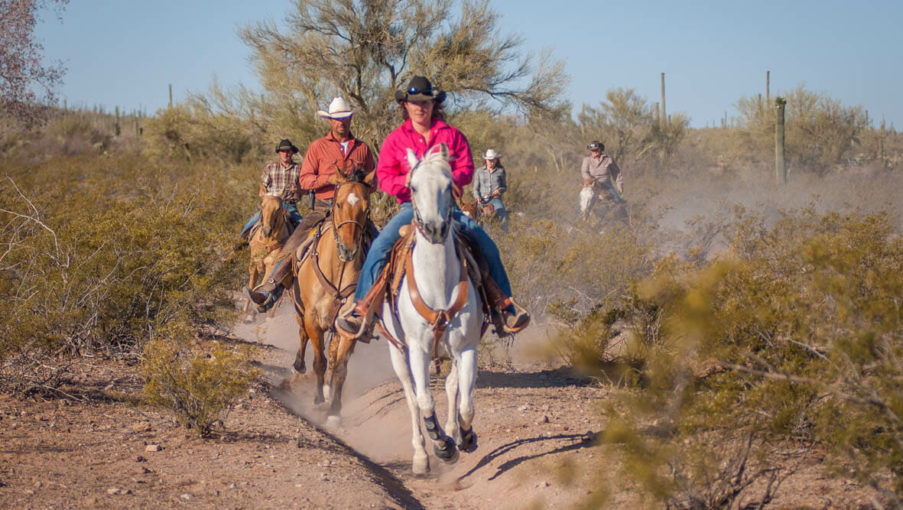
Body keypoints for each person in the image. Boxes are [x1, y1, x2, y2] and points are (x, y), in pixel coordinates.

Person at [335, 76, 529, 338]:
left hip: (448, 208)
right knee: (380, 247)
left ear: (433, 104)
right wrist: (405, 181)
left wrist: (449, 180)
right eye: (414, 103)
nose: (420, 108)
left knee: (484, 242)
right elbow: (384, 175)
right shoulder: (395, 140)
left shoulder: (451, 135)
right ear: (405, 105)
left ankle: (504, 306)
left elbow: (466, 169)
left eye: (425, 102)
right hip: (410, 208)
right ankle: (361, 310)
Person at [248, 97, 377, 311]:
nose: (340, 123)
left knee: (379, 243)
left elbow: (373, 182)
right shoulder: (318, 147)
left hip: (352, 214)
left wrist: (361, 186)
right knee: (293, 245)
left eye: (344, 118)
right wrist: (328, 179)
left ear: (350, 118)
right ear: (330, 121)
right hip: (323, 209)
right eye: (336, 119)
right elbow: (305, 181)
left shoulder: (363, 149)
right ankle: (270, 290)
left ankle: (385, 297)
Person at [237, 139, 304, 241]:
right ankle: (240, 241)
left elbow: (306, 190)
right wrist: (263, 192)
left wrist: (299, 189)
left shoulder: (299, 170)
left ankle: (304, 251)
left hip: (289, 205)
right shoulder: (271, 168)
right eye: (283, 151)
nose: (286, 154)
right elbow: (262, 186)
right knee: (253, 220)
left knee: (301, 225)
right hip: (271, 204)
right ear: (279, 153)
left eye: (288, 151)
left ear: (292, 153)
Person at [580, 140, 625, 211]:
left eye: (596, 150)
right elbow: (584, 172)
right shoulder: (587, 160)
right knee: (583, 203)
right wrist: (590, 180)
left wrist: (619, 185)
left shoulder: (608, 159)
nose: (594, 152)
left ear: (600, 149)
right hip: (592, 184)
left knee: (618, 200)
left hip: (606, 183)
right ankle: (577, 218)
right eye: (592, 151)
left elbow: (616, 173)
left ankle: (625, 218)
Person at [473, 148, 509, 232]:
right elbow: (475, 188)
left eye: (493, 160)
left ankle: (504, 234)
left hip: (495, 200)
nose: (491, 162)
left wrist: (499, 190)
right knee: (474, 216)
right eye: (489, 160)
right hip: (482, 200)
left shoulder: (500, 171)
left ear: (496, 160)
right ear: (485, 160)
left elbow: (504, 187)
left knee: (501, 213)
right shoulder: (479, 171)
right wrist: (477, 198)